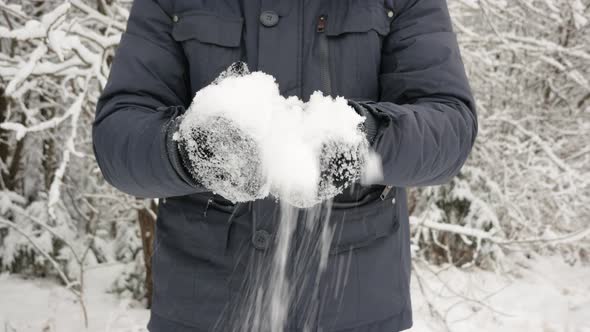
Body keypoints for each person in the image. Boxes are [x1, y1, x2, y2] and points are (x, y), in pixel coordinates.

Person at [92, 0, 477, 331]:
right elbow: (118, 134)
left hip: (355, 306)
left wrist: (363, 143)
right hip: (202, 308)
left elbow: (449, 124)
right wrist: (189, 153)